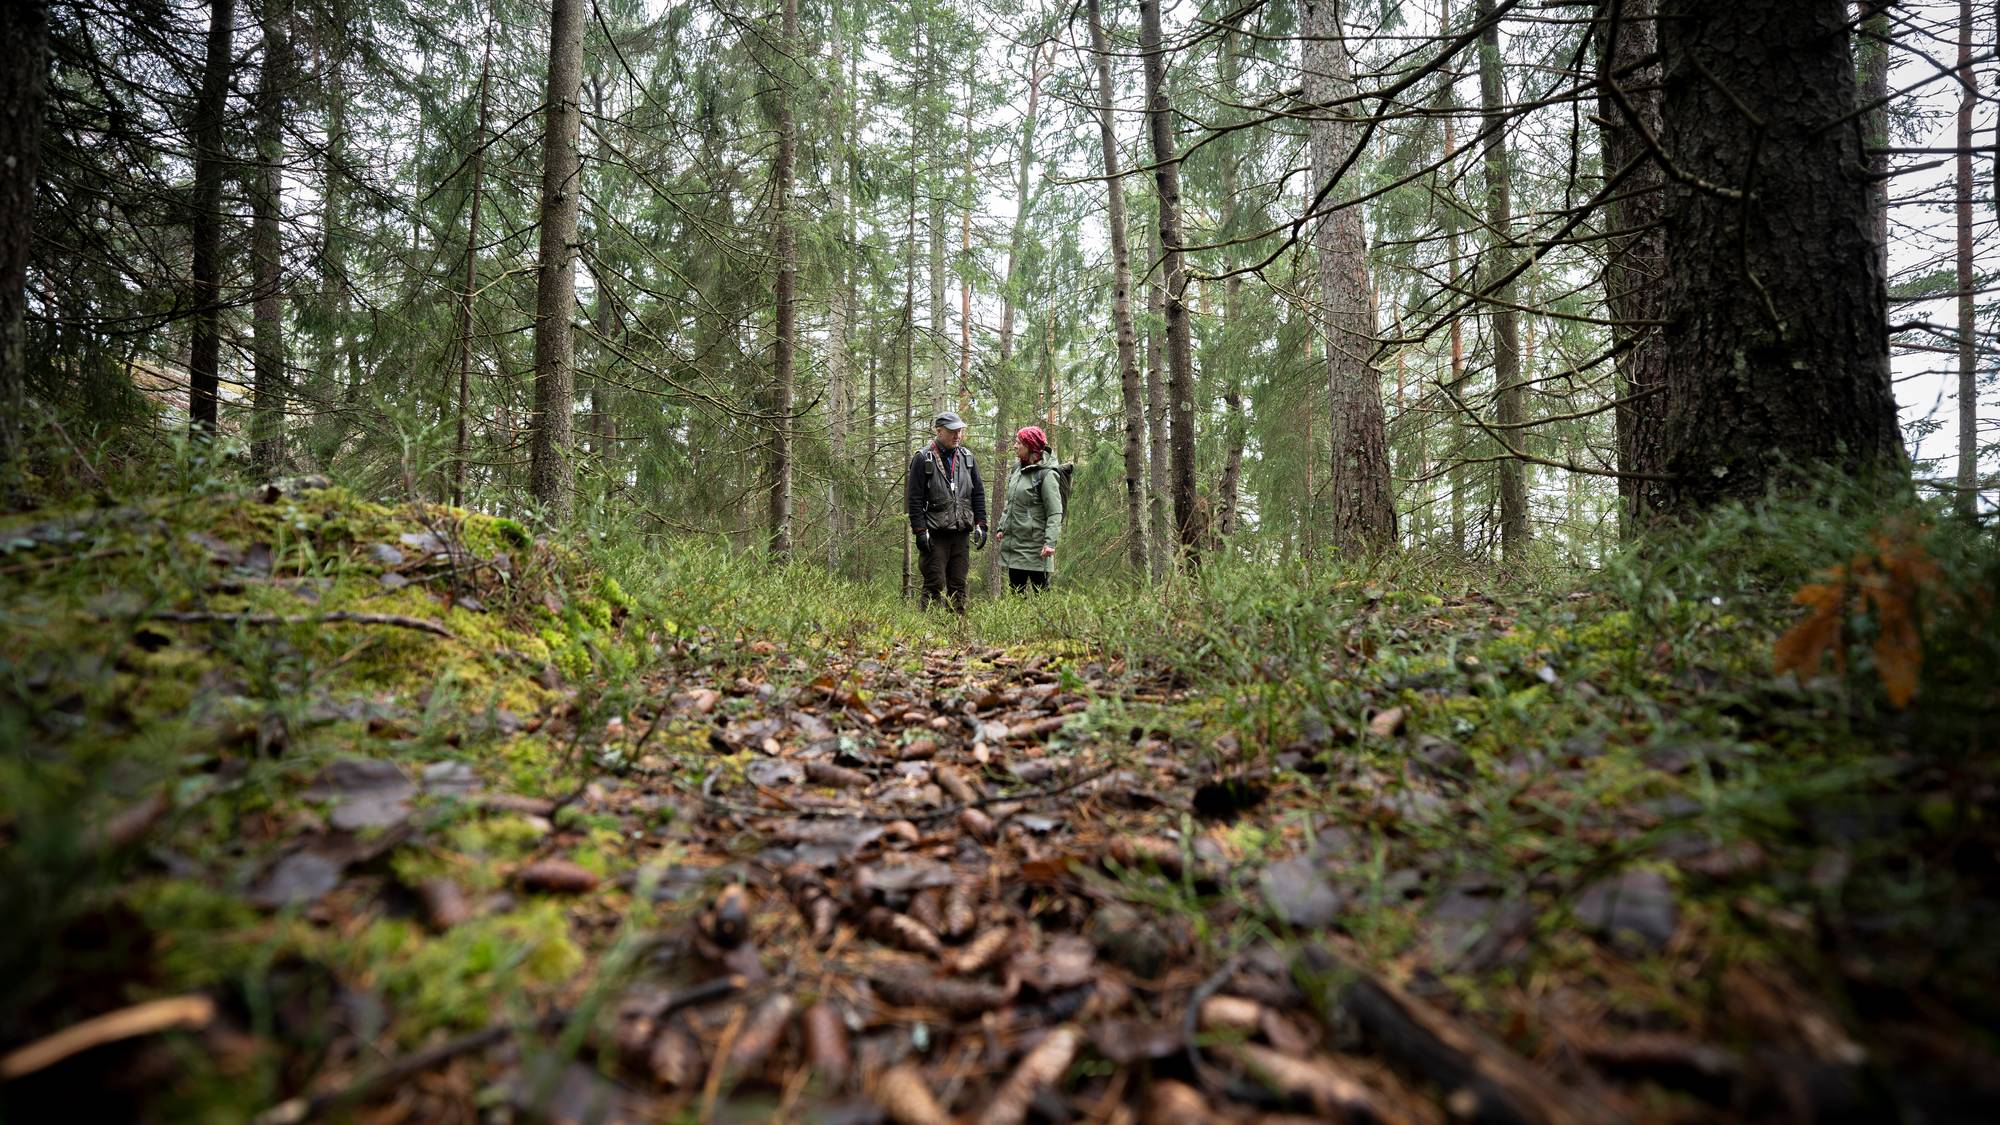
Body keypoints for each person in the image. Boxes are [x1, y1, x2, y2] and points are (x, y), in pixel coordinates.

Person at [905, 410, 986, 613]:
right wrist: (919, 531)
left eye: (960, 431)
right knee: (934, 584)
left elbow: (978, 493)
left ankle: (956, 633)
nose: (957, 435)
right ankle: (927, 634)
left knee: (958, 586)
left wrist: (981, 524)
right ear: (939, 431)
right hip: (935, 534)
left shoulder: (968, 458)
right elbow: (913, 499)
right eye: (952, 431)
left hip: (961, 532)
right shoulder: (923, 458)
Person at [996, 425, 1062, 592]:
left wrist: (1050, 543)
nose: (1015, 446)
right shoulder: (1017, 469)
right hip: (1015, 546)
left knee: (1042, 597)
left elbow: (1054, 512)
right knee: (1016, 595)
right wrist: (1002, 526)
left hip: (1037, 549)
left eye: (1019, 442)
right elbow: (1010, 502)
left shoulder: (1047, 474)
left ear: (1030, 446)